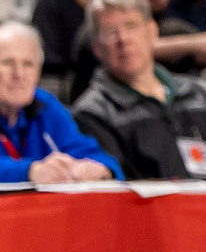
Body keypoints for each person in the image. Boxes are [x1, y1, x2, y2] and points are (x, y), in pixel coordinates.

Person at [71, 0, 206, 179]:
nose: (123, 39)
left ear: (151, 31)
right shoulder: (93, 112)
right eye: (110, 32)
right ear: (97, 48)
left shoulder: (203, 93)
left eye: (131, 26)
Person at [0, 20, 121, 183]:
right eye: (7, 63)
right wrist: (31, 171)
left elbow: (89, 152)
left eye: (28, 64)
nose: (19, 74)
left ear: (38, 73)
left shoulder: (45, 106)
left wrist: (100, 169)